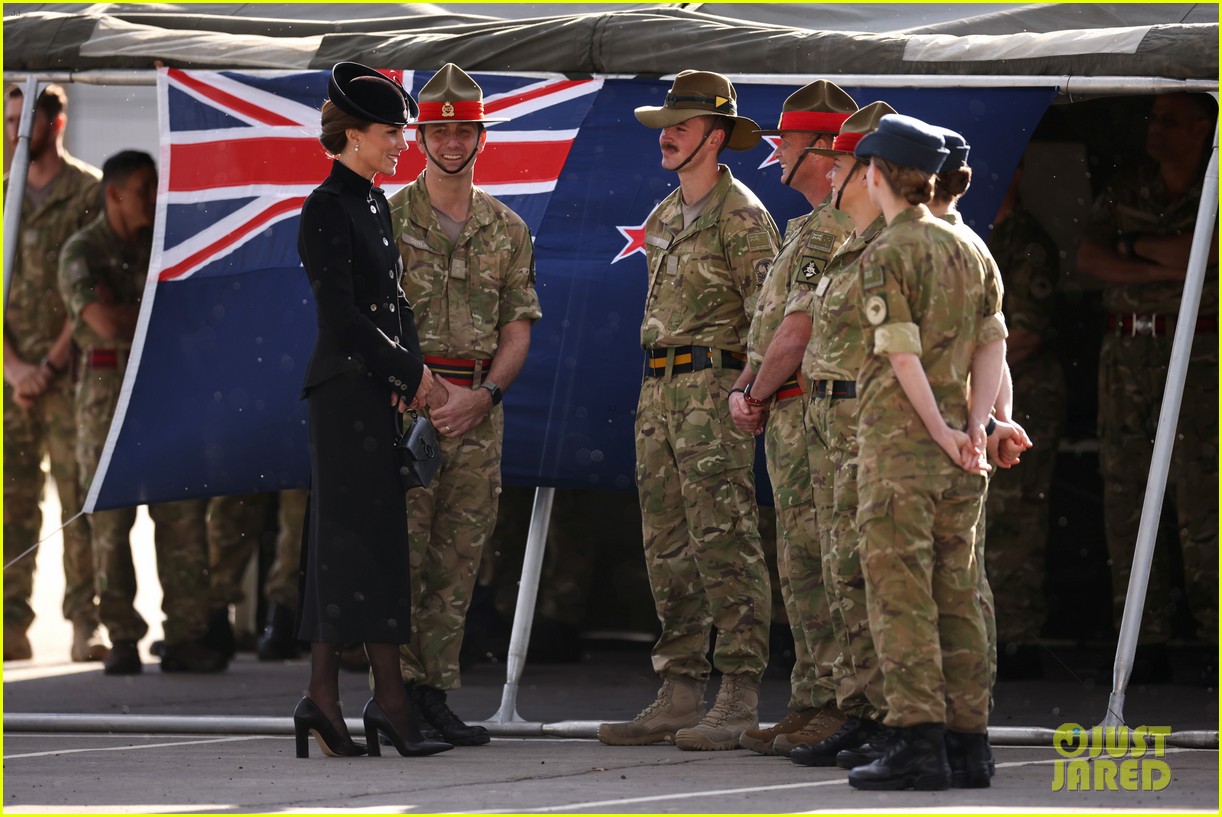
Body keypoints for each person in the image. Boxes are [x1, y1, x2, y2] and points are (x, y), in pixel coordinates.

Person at [598, 70, 779, 751]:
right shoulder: (665, 216)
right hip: (659, 393)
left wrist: (751, 392)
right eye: (665, 125)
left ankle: (738, 691)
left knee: (724, 539)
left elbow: (769, 320)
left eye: (681, 125)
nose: (667, 136)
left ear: (716, 137)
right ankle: (678, 689)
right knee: (666, 544)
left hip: (714, 391)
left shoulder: (743, 218)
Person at [844, 114, 1005, 791]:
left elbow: (900, 353)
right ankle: (970, 745)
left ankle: (917, 741)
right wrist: (976, 430)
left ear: (877, 175)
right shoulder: (969, 248)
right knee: (957, 595)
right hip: (962, 459)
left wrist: (941, 432)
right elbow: (992, 344)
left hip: (904, 452)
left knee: (901, 595)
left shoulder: (889, 250)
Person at [294, 62, 450, 760]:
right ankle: (369, 701)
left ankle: (339, 698)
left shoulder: (374, 203)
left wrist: (407, 369)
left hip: (373, 392)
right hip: (342, 396)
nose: (402, 144)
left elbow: (396, 304)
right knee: (352, 547)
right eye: (392, 133)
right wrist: (408, 371)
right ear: (353, 134)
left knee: (368, 546)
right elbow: (342, 315)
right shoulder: (327, 206)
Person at [387, 63, 542, 746]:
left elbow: (518, 330)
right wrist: (425, 390)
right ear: (421, 137)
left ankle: (434, 694)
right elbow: (373, 321)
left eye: (464, 131)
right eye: (440, 131)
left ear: (482, 137)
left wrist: (485, 396)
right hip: (405, 409)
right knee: (402, 555)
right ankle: (394, 695)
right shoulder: (389, 219)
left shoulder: (508, 229)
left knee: (458, 560)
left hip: (477, 414)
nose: (453, 142)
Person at [57, 150, 226, 675]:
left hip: (167, 395)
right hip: (105, 401)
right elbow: (105, 323)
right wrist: (159, 314)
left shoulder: (166, 247)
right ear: (113, 194)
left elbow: (196, 314)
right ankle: (122, 636)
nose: (155, 198)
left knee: (182, 517)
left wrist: (153, 316)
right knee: (110, 522)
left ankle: (185, 635)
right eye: (144, 188)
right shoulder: (83, 251)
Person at [727, 81, 856, 757]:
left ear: (824, 148)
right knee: (799, 560)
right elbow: (772, 325)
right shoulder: (806, 226)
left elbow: (799, 330)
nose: (775, 151)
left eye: (787, 140)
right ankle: (811, 698)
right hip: (786, 409)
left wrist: (752, 392)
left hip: (809, 409)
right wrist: (750, 386)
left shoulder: (835, 227)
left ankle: (839, 701)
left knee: (820, 557)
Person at [1076, 92, 1218, 682]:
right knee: (1126, 490)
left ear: (1203, 128)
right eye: (1153, 119)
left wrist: (1133, 246)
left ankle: (1211, 638)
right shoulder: (1127, 187)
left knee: (1202, 492)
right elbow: (1090, 257)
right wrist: (1165, 259)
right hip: (1126, 352)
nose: (1155, 130)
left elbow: (1206, 252)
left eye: (1170, 121)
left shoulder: (1213, 185)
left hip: (1199, 352)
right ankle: (1142, 638)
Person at [782, 101, 898, 769]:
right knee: (842, 571)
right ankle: (860, 710)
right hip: (830, 427)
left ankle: (893, 717)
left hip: (871, 426)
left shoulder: (897, 248)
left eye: (842, 167)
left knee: (876, 572)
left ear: (870, 173)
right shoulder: (850, 245)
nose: (830, 176)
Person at [2, 83, 105, 664]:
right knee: (11, 504)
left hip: (69, 378)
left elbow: (94, 287)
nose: (15, 131)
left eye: (25, 119)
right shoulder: (3, 194)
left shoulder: (88, 191)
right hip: (13, 381)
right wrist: (15, 367)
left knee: (77, 505)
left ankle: (85, 623)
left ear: (56, 123)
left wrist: (49, 363)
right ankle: (9, 624)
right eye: (9, 119)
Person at [983, 165, 1064, 679]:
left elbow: (1024, 335)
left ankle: (1018, 637)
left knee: (1017, 518)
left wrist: (970, 368)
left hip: (1025, 394)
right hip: (982, 400)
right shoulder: (974, 232)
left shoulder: (1027, 243)